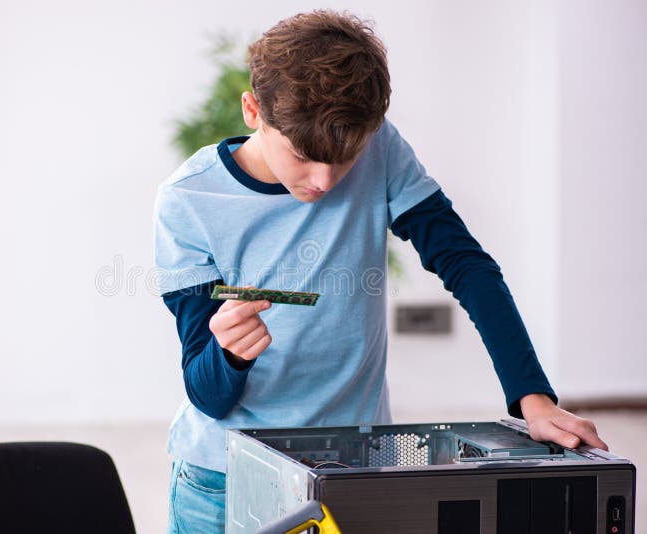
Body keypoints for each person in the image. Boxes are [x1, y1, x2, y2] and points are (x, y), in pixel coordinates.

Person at [153, 10, 607, 533]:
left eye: (345, 159)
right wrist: (229, 354)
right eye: (303, 157)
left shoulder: (379, 147)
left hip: (349, 467)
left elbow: (465, 263)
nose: (324, 181)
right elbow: (207, 394)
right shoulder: (187, 201)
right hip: (222, 477)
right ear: (253, 110)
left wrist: (534, 399)